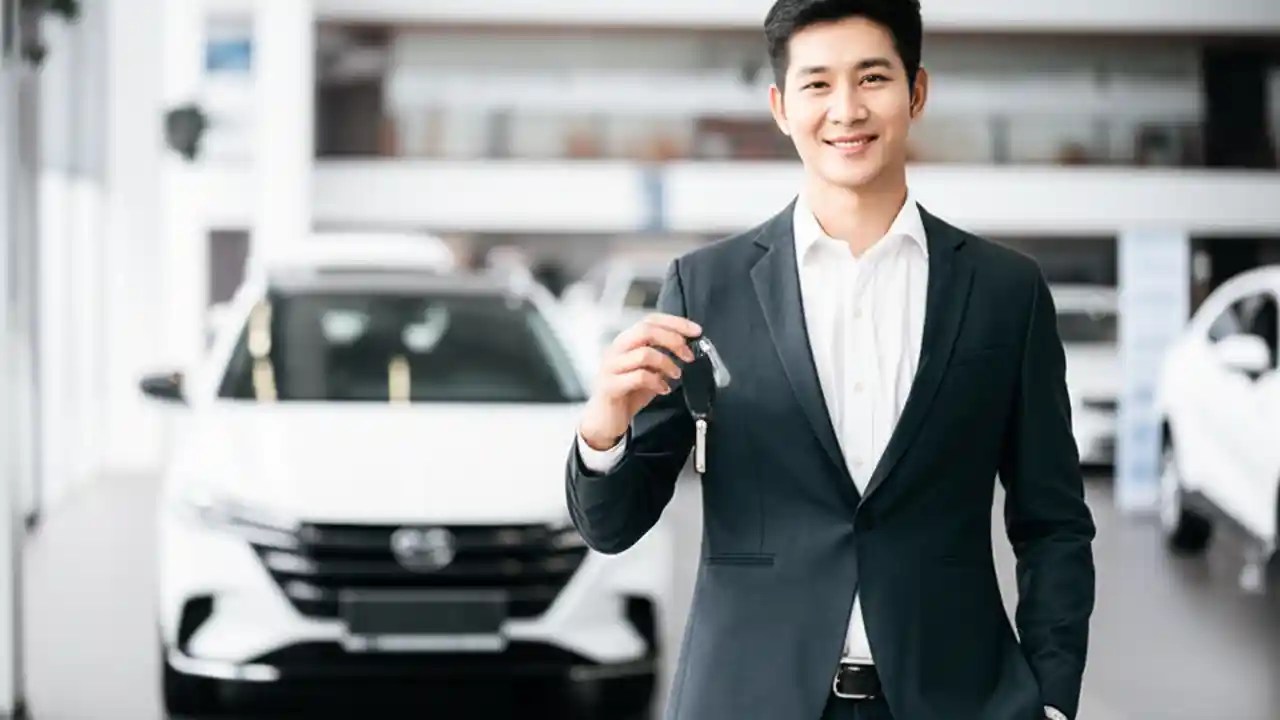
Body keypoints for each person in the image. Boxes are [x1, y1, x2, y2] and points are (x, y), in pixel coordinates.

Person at [564, 1, 1096, 718]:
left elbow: (1053, 522)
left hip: (957, 699)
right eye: (817, 84)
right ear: (781, 107)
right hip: (749, 700)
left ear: (916, 91)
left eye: (872, 78)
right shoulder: (707, 288)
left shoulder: (1006, 292)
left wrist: (1053, 700)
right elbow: (613, 527)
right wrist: (603, 431)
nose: (846, 109)